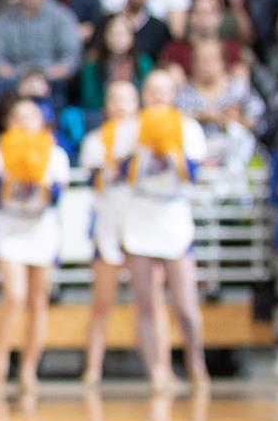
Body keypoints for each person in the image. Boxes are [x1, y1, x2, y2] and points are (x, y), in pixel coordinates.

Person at [119, 73, 209, 395]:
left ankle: (196, 361)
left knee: (185, 303)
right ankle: (157, 369)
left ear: (173, 95)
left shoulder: (188, 128)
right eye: (152, 92)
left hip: (173, 215)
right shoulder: (129, 129)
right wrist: (144, 149)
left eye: (164, 92)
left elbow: (194, 174)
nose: (157, 97)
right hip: (140, 214)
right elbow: (120, 172)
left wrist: (172, 152)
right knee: (146, 302)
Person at [0, 98, 69, 395]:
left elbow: (55, 197)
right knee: (14, 296)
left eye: (30, 116)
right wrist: (15, 169)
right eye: (18, 117)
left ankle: (29, 370)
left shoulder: (56, 155)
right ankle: (0, 364)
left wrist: (36, 171)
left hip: (42, 230)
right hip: (10, 229)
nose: (24, 122)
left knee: (37, 301)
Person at [76, 81, 145, 387]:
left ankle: (158, 367)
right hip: (108, 224)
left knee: (148, 302)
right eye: (114, 99)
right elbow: (96, 180)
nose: (119, 105)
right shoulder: (95, 141)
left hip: (143, 225)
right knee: (102, 303)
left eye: (126, 99)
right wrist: (120, 165)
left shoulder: (148, 136)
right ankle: (93, 367)